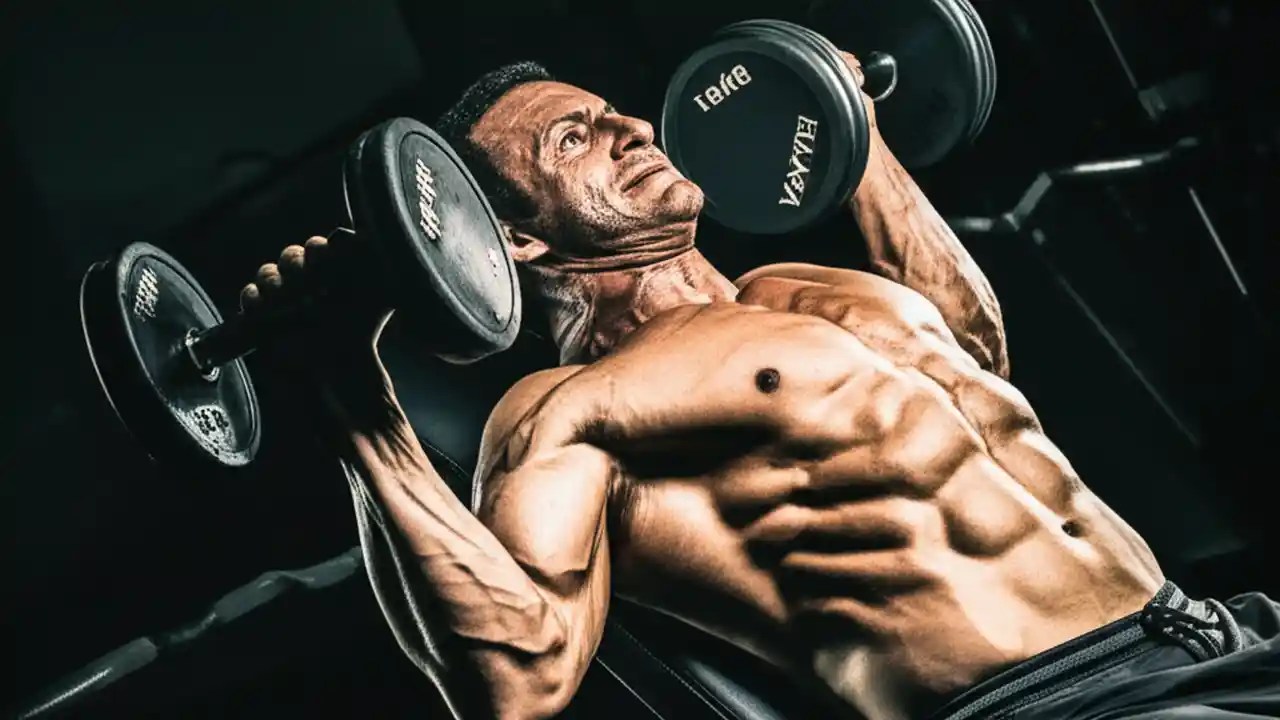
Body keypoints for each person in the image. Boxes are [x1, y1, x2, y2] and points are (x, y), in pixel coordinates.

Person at [240, 56, 1279, 720]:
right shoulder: (571, 405)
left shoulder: (803, 291)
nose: (633, 130)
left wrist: (851, 127)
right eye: (574, 138)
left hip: (1209, 634)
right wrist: (352, 403)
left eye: (616, 114)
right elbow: (517, 677)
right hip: (1051, 705)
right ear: (510, 235)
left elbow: (976, 360)